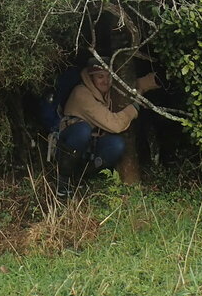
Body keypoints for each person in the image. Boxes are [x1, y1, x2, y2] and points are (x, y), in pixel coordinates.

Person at [55, 57, 158, 196]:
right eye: (100, 76)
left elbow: (128, 87)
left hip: (90, 146)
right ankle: (63, 181)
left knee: (116, 145)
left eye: (109, 76)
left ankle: (80, 177)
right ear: (91, 78)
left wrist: (153, 81)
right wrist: (135, 107)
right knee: (82, 130)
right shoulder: (81, 94)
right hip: (69, 143)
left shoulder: (106, 91)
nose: (106, 81)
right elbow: (115, 125)